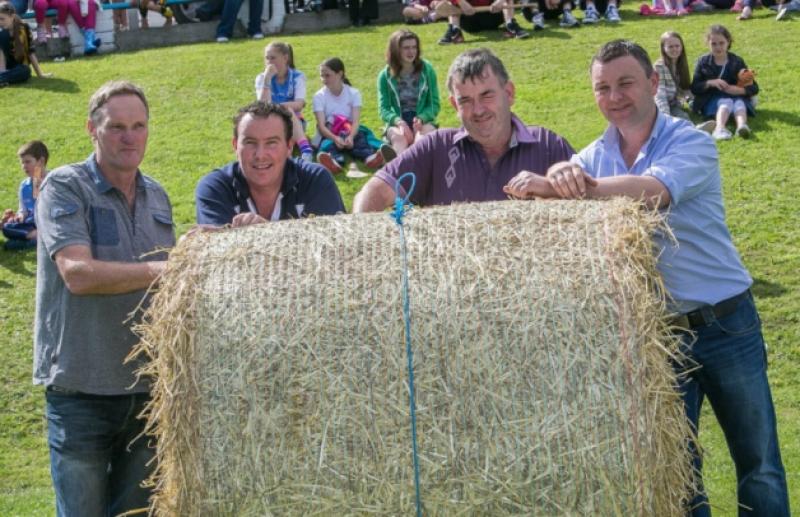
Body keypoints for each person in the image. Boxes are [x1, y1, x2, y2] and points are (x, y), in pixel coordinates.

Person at [504, 39, 790, 517]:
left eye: (625, 83)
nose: (614, 96)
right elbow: (569, 177)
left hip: (726, 325)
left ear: (654, 83)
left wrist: (569, 186)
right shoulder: (594, 157)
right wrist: (560, 173)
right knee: (678, 473)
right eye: (603, 87)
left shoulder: (691, 141)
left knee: (758, 463)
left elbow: (653, 192)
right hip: (658, 339)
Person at [33, 80, 176, 516]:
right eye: (116, 127)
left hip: (145, 391)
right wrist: (161, 271)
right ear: (92, 129)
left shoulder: (158, 196)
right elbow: (77, 274)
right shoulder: (64, 187)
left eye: (138, 125)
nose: (129, 137)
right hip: (82, 392)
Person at [353, 48, 574, 212]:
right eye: (465, 100)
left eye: (487, 95)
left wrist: (549, 188)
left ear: (509, 93)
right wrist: (363, 251)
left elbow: (593, 203)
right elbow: (374, 191)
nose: (478, 110)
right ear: (453, 105)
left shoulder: (549, 146)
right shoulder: (436, 147)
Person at [196, 101, 345, 226]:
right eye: (250, 142)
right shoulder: (215, 188)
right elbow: (217, 254)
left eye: (271, 143)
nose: (260, 155)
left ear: (289, 147)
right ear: (235, 145)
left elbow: (333, 246)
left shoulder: (315, 180)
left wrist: (266, 233)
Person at [313, 57, 385, 175]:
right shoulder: (319, 96)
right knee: (328, 145)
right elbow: (321, 126)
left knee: (360, 141)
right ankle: (334, 162)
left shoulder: (353, 93)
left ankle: (370, 158)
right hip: (330, 132)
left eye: (327, 75)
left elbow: (356, 121)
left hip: (350, 130)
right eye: (322, 76)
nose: (324, 79)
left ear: (340, 74)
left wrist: (351, 136)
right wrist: (335, 138)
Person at [377, 30, 440, 162]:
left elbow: (434, 105)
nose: (411, 52)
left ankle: (414, 163)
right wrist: (399, 122)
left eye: (414, 47)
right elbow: (384, 109)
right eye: (406, 48)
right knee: (399, 139)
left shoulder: (427, 71)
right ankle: (397, 165)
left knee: (421, 140)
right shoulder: (385, 75)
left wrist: (422, 118)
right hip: (398, 121)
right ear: (396, 50)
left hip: (423, 119)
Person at [690, 24, 758, 141]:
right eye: (713, 44)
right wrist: (710, 83)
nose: (718, 47)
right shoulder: (703, 62)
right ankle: (719, 129)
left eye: (721, 43)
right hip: (711, 100)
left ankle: (742, 126)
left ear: (728, 42)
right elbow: (695, 87)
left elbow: (754, 88)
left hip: (735, 97)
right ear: (708, 44)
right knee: (725, 103)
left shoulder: (737, 61)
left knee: (739, 104)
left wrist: (740, 90)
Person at [255, 41, 315, 162]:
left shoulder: (297, 77)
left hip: (295, 122)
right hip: (270, 121)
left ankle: (306, 150)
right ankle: (296, 147)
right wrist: (267, 79)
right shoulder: (262, 78)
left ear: (285, 58)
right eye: (267, 58)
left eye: (273, 58)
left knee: (287, 111)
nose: (269, 62)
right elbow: (262, 106)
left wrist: (277, 107)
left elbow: (299, 104)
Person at [2, 140, 48, 250]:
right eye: (22, 163)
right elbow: (23, 210)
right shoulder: (24, 185)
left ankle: (32, 239)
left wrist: (40, 185)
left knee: (10, 245)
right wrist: (19, 216)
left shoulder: (51, 180)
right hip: (31, 225)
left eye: (28, 162)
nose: (24, 166)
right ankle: (35, 239)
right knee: (6, 227)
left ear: (41, 161)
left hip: (47, 223)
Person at [0, 1, 49, 86]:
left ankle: (3, 78)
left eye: (2, 19)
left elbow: (30, 51)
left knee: (25, 71)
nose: (0, 22)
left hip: (16, 67)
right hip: (2, 67)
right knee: (3, 35)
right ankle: (3, 78)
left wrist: (40, 74)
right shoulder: (1, 32)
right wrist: (2, 72)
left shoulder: (24, 28)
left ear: (12, 16)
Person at [438, 0, 529, 44]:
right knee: (450, 4)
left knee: (508, 0)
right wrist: (461, 2)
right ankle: (454, 31)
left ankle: (511, 25)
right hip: (469, 18)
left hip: (493, 14)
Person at [654, 31, 692, 119]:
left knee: (684, 117)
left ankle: (696, 130)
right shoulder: (659, 67)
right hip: (656, 106)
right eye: (670, 47)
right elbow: (660, 95)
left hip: (672, 104)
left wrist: (693, 101)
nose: (674, 49)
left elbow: (684, 89)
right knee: (674, 119)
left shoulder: (680, 65)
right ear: (663, 48)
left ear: (682, 47)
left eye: (677, 46)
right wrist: (665, 117)